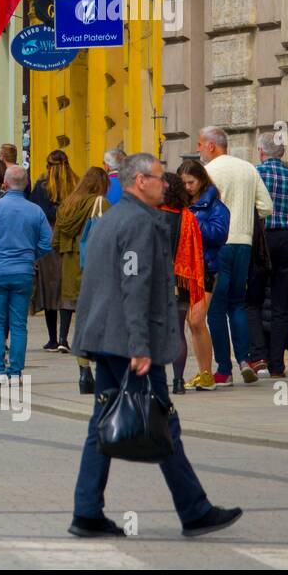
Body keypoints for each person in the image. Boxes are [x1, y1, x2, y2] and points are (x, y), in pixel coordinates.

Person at [69, 152, 242, 539]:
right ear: (139, 181)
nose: (167, 185)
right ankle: (194, 511)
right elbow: (134, 287)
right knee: (162, 422)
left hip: (105, 337)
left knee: (109, 421)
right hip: (127, 343)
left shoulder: (111, 218)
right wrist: (139, 345)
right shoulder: (139, 224)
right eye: (160, 178)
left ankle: (87, 511)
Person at [197, 125, 273, 386]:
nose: (198, 149)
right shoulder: (248, 168)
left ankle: (223, 369)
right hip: (244, 243)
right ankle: (244, 359)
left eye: (200, 144)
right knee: (238, 304)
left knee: (216, 309)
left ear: (211, 146)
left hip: (219, 244)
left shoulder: (208, 172)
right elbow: (266, 206)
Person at [0, 164, 53, 385]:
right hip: (23, 271)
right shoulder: (35, 210)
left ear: (5, 184)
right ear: (26, 184)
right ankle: (15, 371)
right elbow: (47, 241)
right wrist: (32, 255)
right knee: (19, 324)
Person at [250, 131, 288, 377]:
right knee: (281, 305)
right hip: (287, 239)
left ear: (262, 152)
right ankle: (277, 366)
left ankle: (259, 357)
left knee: (251, 301)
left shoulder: (255, 174)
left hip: (261, 238)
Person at [52, 167, 111, 393]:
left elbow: (55, 241)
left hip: (70, 268)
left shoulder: (67, 203)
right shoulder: (100, 204)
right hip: (95, 268)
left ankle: (84, 373)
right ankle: (103, 371)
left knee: (82, 321)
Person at [178, 159, 229, 391]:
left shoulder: (215, 207)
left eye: (191, 182)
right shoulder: (180, 205)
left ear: (201, 180)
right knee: (191, 321)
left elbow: (219, 235)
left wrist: (193, 224)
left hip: (206, 267)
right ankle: (203, 372)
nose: (188, 187)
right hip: (183, 269)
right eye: (184, 183)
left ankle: (207, 373)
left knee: (197, 319)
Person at [158, 172, 209, 395]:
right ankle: (178, 382)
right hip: (181, 282)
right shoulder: (188, 217)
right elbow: (197, 253)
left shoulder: (153, 215)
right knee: (178, 332)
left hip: (156, 283)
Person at [30, 150, 79, 353]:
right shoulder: (76, 186)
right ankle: (63, 338)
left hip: (48, 242)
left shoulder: (41, 188)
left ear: (48, 166)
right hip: (71, 241)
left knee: (50, 289)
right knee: (66, 288)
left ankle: (52, 338)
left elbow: (33, 215)